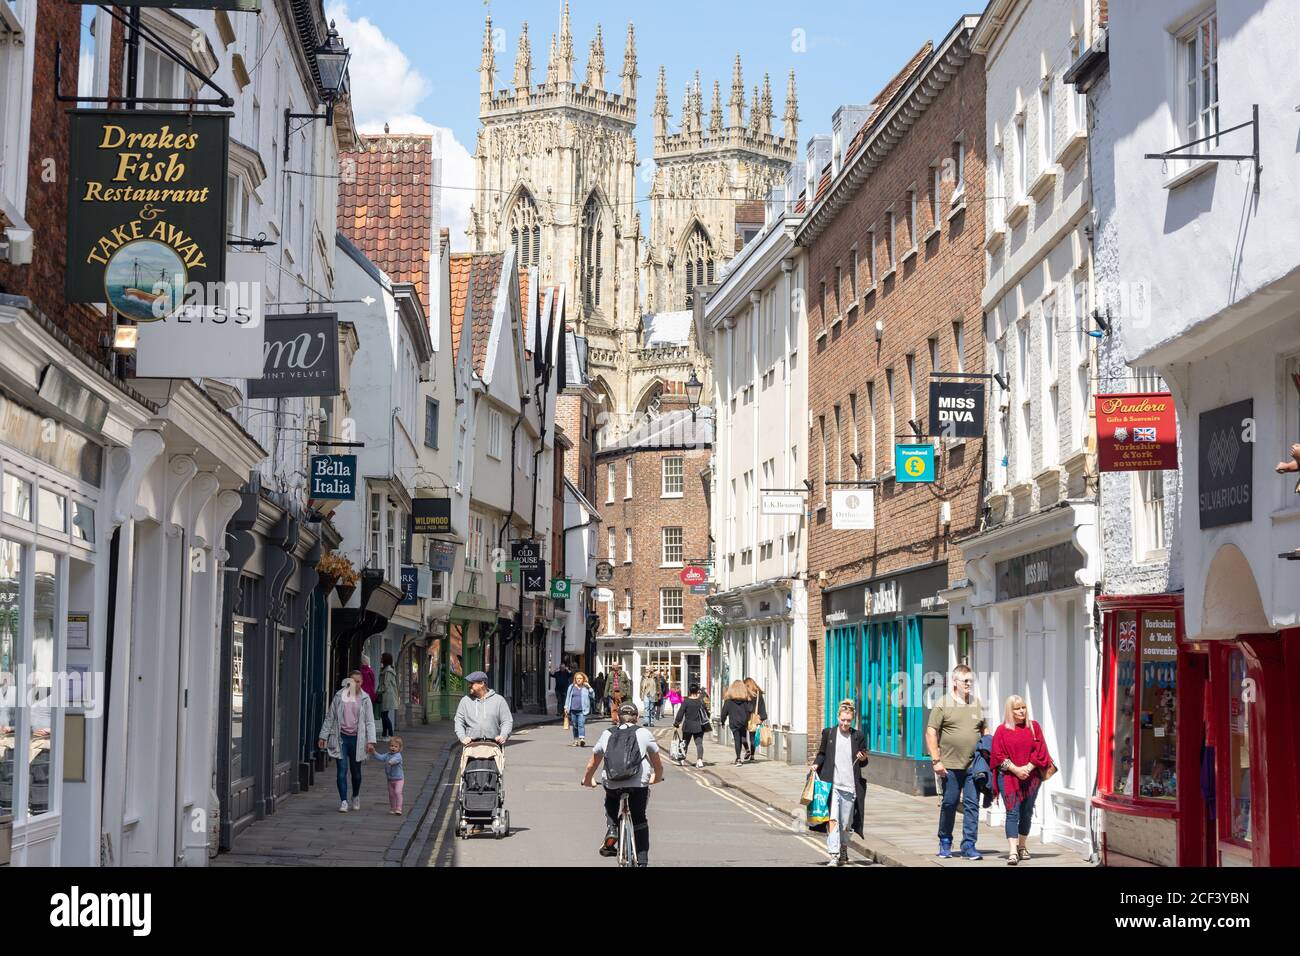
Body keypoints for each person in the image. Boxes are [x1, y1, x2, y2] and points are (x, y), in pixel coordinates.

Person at [581, 702, 664, 867]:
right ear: (637, 717)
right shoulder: (644, 733)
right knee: (639, 819)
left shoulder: (607, 733)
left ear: (617, 718)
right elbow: (657, 764)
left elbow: (593, 763)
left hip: (612, 782)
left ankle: (612, 828)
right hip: (638, 784)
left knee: (611, 797)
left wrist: (587, 779)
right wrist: (657, 778)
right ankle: (642, 862)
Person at [926, 664, 987, 860]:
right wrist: (936, 760)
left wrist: (987, 756)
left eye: (971, 680)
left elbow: (984, 730)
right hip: (949, 766)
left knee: (972, 805)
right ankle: (945, 841)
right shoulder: (943, 704)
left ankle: (969, 845)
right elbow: (931, 732)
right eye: (965, 681)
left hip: (973, 766)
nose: (969, 684)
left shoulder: (977, 704)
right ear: (955, 682)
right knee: (949, 803)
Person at [991, 695, 1054, 865]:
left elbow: (1041, 751)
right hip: (1009, 777)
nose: (1021, 711)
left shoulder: (1034, 727)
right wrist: (1016, 769)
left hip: (1031, 778)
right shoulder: (1002, 730)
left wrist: (1028, 768)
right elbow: (997, 755)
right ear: (1010, 711)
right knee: (1012, 812)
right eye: (1017, 708)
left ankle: (1022, 846)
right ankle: (1012, 851)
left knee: (1026, 812)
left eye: (1023, 707)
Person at [812, 699, 869, 866]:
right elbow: (822, 753)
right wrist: (816, 763)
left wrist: (863, 756)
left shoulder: (858, 736)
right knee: (833, 820)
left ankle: (844, 847)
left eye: (848, 720)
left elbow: (864, 761)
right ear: (838, 717)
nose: (845, 723)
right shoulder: (829, 733)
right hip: (833, 785)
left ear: (852, 720)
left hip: (851, 787)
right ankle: (834, 854)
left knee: (846, 824)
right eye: (842, 719)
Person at [317, 670, 377, 812]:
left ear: (361, 682)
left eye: (358, 681)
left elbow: (369, 721)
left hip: (357, 739)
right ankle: (343, 801)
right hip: (341, 737)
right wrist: (323, 736)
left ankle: (355, 795)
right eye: (352, 680)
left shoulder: (365, 699)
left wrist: (371, 741)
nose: (355, 684)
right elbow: (330, 717)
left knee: (356, 773)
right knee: (341, 771)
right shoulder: (339, 696)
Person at [453, 670, 514, 778]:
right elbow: (459, 722)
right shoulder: (465, 701)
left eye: (472, 683)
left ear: (482, 683)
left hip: (493, 745)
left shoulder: (499, 701)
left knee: (492, 778)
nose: (469, 686)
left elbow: (507, 721)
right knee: (470, 778)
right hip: (471, 745)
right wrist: (462, 737)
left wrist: (504, 735)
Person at [672, 683, 710, 768]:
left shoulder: (686, 701)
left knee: (685, 743)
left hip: (688, 726)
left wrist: (676, 723)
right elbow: (706, 713)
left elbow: (680, 713)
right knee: (699, 743)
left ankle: (682, 760)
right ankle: (699, 760)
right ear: (697, 691)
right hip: (699, 726)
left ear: (689, 691)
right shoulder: (700, 701)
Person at [719, 680, 753, 766]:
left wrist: (722, 721)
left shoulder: (728, 701)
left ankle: (738, 758)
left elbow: (724, 713)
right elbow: (750, 710)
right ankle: (746, 751)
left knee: (737, 739)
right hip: (743, 722)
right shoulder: (746, 701)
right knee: (742, 737)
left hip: (734, 722)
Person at [370, 735, 405, 814]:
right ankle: (393, 808)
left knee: (397, 792)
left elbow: (395, 760)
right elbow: (381, 757)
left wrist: (390, 762)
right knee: (391, 794)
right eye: (391, 746)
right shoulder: (387, 755)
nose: (393, 748)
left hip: (399, 779)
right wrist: (374, 752)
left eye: (395, 746)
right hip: (390, 779)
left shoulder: (398, 756)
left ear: (399, 748)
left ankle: (399, 808)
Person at [566, 671, 595, 746]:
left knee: (581, 724)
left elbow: (593, 696)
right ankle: (575, 740)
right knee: (575, 725)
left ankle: (582, 739)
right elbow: (568, 698)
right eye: (577, 678)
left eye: (580, 678)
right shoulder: (571, 687)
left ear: (583, 679)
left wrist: (589, 687)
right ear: (575, 679)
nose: (578, 680)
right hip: (573, 709)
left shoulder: (586, 688)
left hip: (582, 710)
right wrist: (566, 707)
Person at [743, 677, 768, 762]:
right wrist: (762, 717)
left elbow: (747, 708)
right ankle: (752, 755)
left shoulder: (747, 694)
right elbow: (762, 706)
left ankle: (747, 750)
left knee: (742, 735)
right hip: (756, 718)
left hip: (747, 717)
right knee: (752, 738)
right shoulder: (758, 694)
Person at [378, 652, 399, 739]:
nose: (380, 659)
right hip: (386, 694)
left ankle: (390, 735)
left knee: (384, 715)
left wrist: (378, 691)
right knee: (384, 715)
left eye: (382, 657)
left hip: (387, 695)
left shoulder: (388, 671)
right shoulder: (386, 669)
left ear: (385, 659)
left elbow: (385, 684)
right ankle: (384, 735)